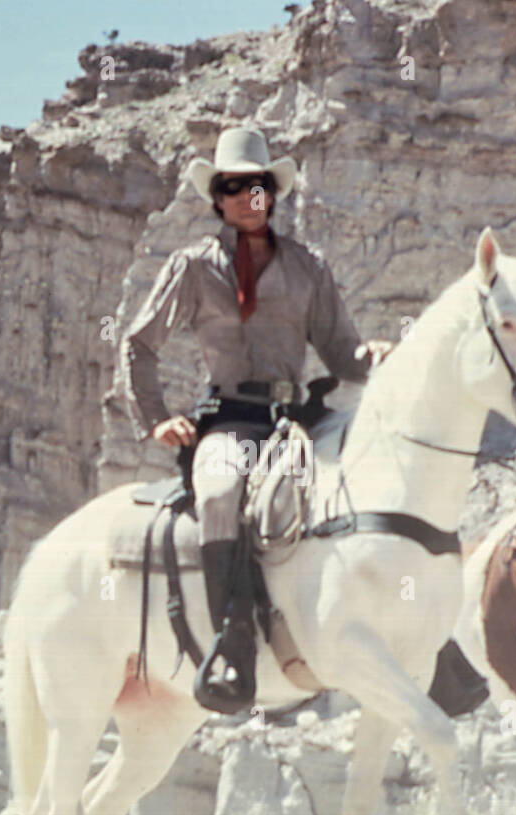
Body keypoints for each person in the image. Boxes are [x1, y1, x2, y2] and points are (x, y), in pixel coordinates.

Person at [120, 127, 394, 715]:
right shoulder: (194, 268)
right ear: (218, 198)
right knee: (219, 493)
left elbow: (344, 354)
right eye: (236, 187)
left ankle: (421, 642)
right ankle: (233, 641)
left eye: (261, 185)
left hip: (297, 421)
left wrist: (376, 355)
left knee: (371, 492)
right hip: (230, 422)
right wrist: (156, 418)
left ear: (275, 193)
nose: (251, 196)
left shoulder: (307, 268)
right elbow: (138, 344)